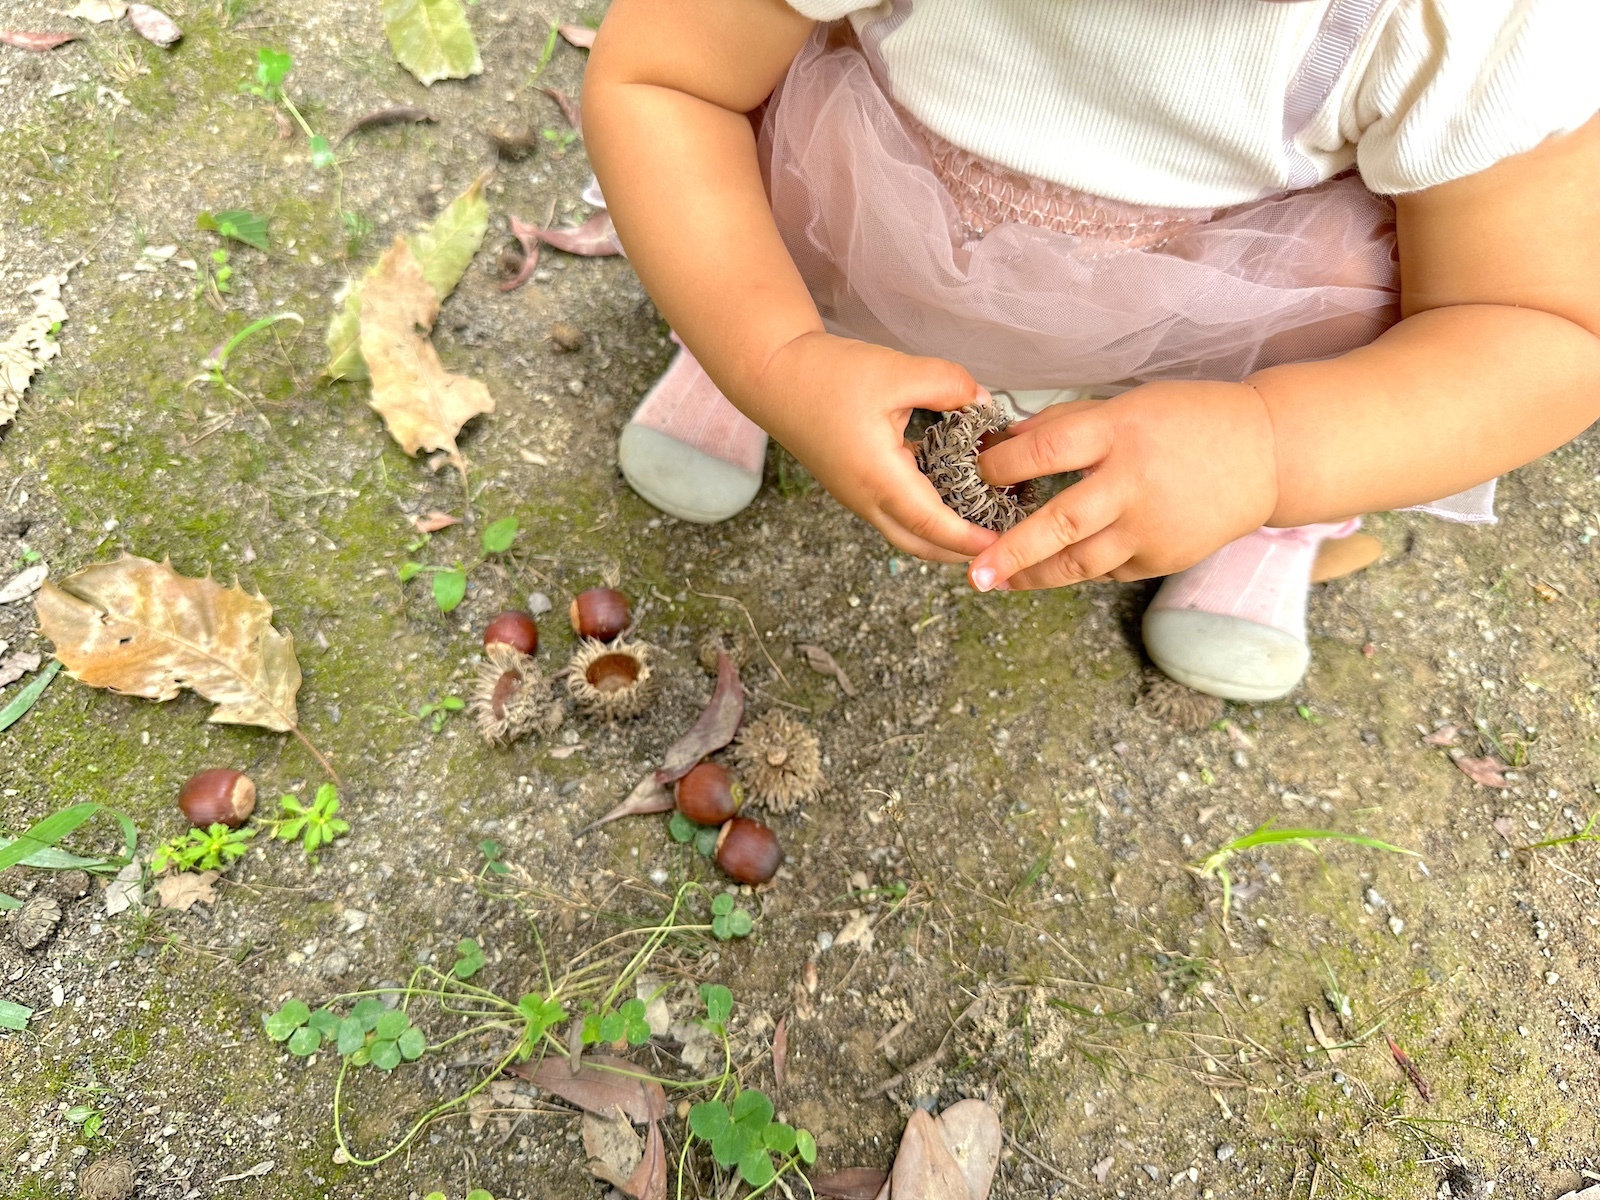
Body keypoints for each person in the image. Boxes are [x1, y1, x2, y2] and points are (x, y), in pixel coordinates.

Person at [583, 0, 1600, 701]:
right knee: (745, 231)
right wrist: (772, 352)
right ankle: (748, 332)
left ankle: (1263, 515)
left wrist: (1270, 448)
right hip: (868, 215)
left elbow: (1535, 322)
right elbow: (672, 83)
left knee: (1356, 358)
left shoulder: (1473, 26)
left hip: (1228, 317)